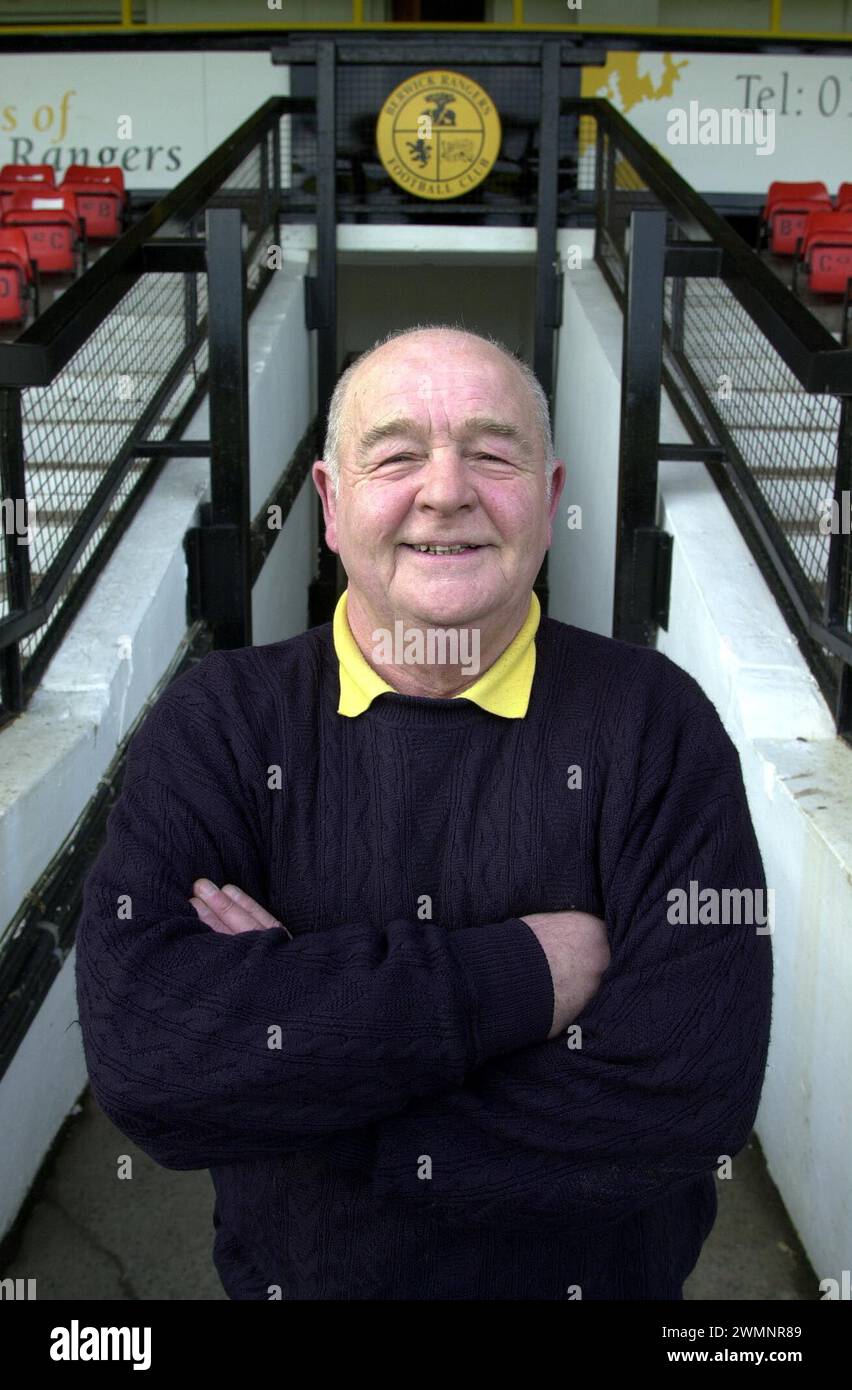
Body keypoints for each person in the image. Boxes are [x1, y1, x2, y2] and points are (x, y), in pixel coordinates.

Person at [74, 324, 773, 1300]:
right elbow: (152, 1058)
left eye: (492, 454)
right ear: (328, 500)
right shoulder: (221, 724)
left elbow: (687, 1094)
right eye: (397, 455)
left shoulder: (659, 725)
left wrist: (302, 1070)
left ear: (551, 497)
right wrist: (522, 974)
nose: (446, 490)